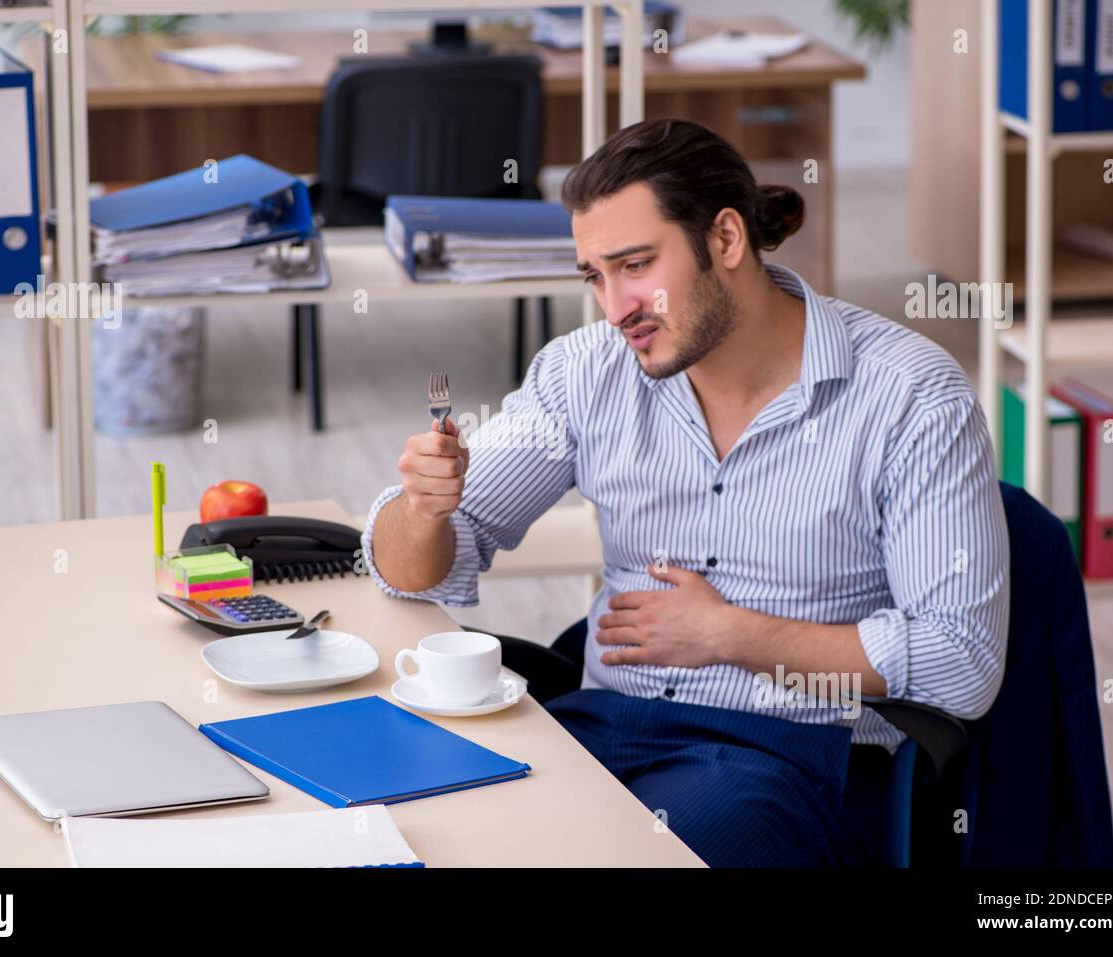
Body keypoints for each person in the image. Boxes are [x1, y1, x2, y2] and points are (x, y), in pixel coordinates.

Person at [362, 118, 1010, 866]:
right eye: (595, 275)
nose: (615, 307)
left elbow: (961, 661)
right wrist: (422, 509)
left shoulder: (911, 398)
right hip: (608, 724)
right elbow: (425, 562)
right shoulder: (586, 371)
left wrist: (727, 633)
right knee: (420, 831)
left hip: (794, 758)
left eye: (635, 265)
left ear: (727, 239)